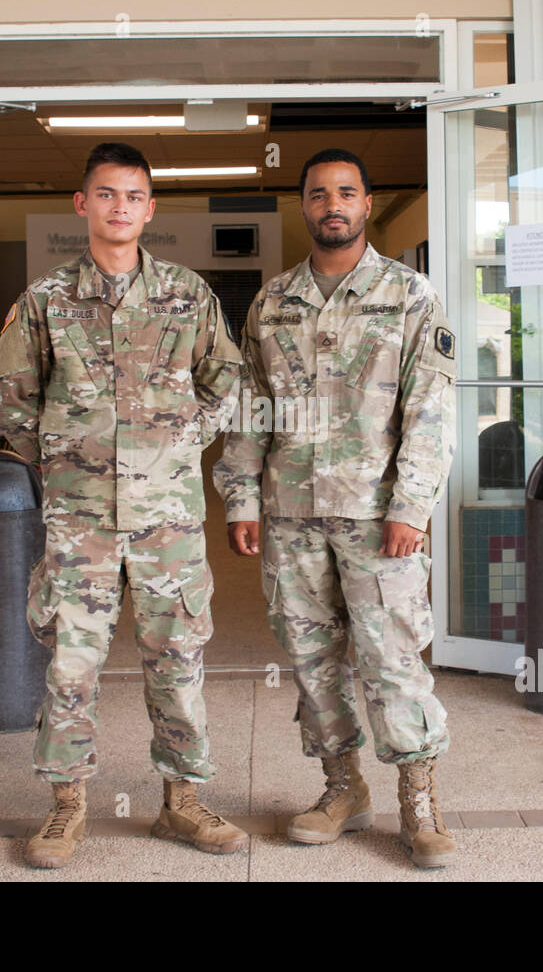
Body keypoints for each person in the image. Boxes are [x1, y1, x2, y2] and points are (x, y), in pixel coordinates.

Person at [0, 142, 247, 869]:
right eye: (105, 194)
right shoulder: (45, 300)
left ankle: (184, 801)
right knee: (73, 662)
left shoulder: (186, 295)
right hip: (81, 522)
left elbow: (226, 378)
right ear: (83, 205)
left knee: (178, 658)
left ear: (150, 208)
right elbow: (8, 396)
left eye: (133, 196)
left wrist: (182, 439)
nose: (120, 207)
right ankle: (67, 806)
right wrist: (61, 456)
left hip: (167, 517)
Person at [213, 148, 457, 868]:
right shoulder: (272, 303)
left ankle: (419, 800)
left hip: (379, 519)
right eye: (318, 194)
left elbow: (431, 413)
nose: (332, 204)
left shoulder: (411, 297)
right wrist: (240, 497)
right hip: (291, 515)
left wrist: (411, 505)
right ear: (304, 207)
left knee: (392, 660)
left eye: (346, 192)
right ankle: (342, 787)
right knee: (313, 662)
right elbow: (248, 410)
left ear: (367, 203)